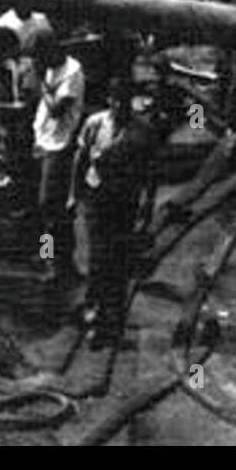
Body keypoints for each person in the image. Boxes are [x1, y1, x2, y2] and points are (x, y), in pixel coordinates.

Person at [68, 73, 161, 349]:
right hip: (97, 198)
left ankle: (112, 319)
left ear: (130, 101)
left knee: (118, 261)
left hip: (125, 201)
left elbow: (150, 170)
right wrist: (73, 195)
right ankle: (94, 311)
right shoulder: (95, 124)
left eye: (124, 101)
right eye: (115, 101)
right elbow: (80, 159)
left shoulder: (142, 131)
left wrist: (148, 204)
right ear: (109, 100)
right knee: (97, 257)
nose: (119, 106)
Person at [33, 34, 85, 284]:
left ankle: (59, 263)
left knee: (50, 206)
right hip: (43, 140)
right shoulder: (51, 68)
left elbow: (56, 109)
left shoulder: (72, 72)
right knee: (45, 210)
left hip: (60, 145)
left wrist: (42, 87)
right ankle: (49, 257)